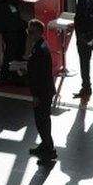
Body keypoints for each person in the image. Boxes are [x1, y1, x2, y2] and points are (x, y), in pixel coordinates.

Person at [25, 19, 56, 161]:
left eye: (31, 32)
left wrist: (36, 96)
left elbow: (40, 76)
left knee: (42, 121)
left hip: (42, 92)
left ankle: (49, 149)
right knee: (41, 121)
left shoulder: (40, 50)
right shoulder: (38, 47)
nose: (29, 35)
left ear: (39, 33)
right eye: (28, 31)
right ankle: (45, 145)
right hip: (44, 91)